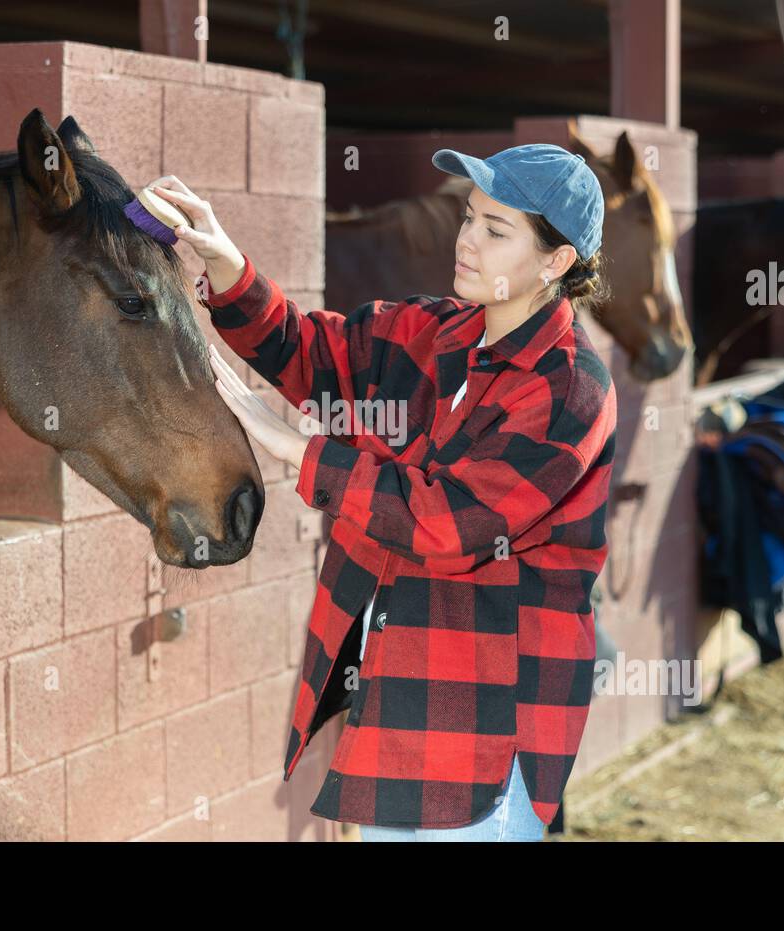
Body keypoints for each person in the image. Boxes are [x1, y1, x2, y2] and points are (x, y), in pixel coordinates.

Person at [148, 142, 616, 842]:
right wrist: (226, 264)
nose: (466, 242)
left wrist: (304, 451)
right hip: (402, 697)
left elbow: (452, 523)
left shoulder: (570, 389)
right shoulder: (438, 332)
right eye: (468, 217)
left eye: (495, 230)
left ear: (556, 262)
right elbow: (312, 352)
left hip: (492, 721)